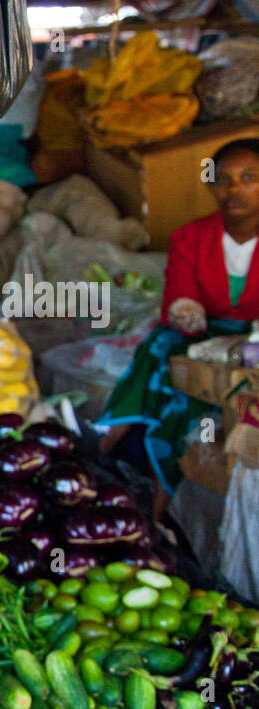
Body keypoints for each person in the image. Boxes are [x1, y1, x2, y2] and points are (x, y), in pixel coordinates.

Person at [98, 138, 259, 515]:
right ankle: (105, 448)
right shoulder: (191, 237)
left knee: (206, 393)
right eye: (223, 180)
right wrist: (186, 311)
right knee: (161, 348)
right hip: (205, 332)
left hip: (254, 340)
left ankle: (158, 502)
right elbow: (179, 293)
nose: (233, 189)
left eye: (249, 178)